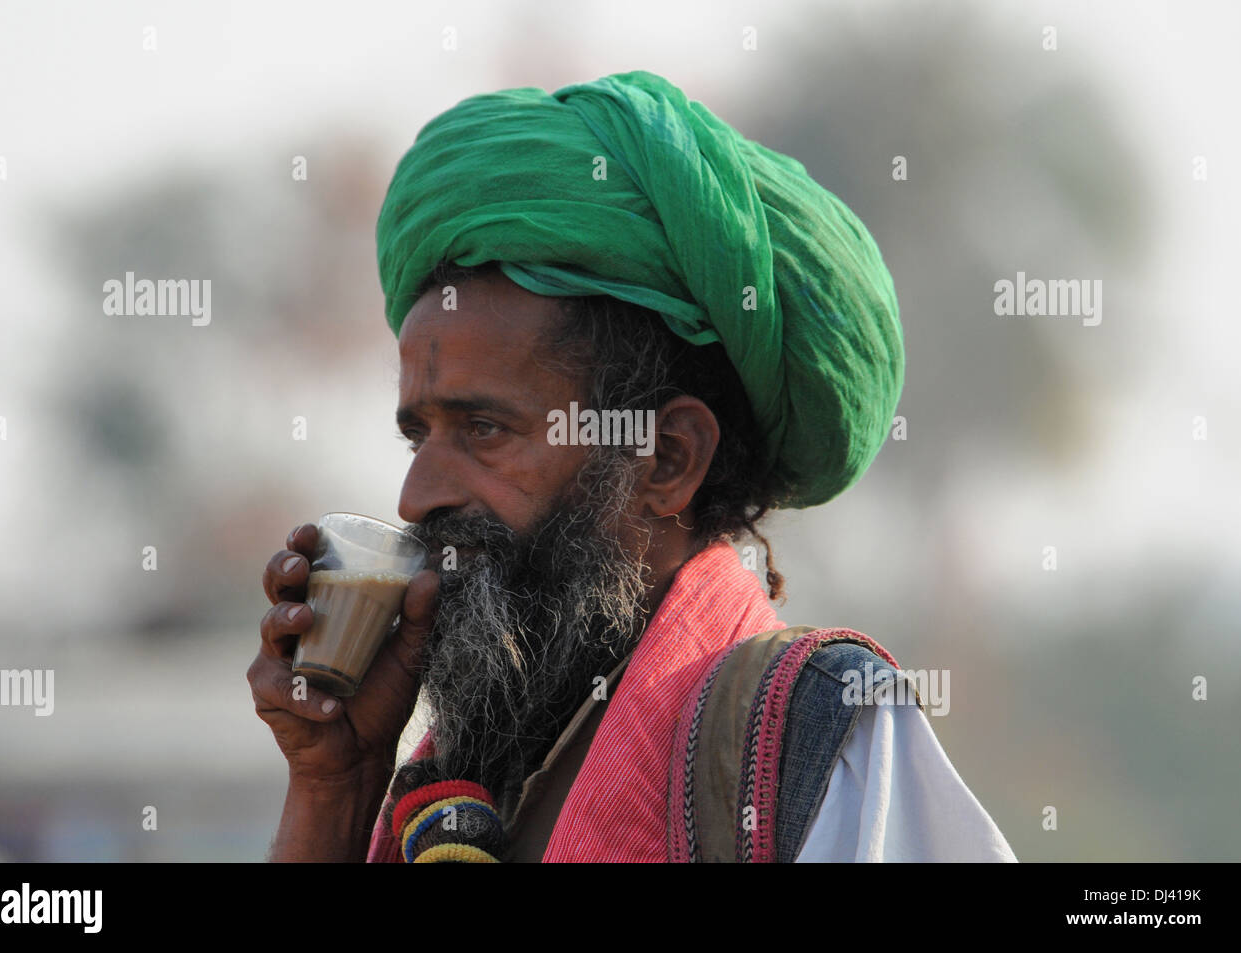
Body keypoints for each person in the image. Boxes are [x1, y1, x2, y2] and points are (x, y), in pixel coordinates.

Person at [249, 70, 1016, 863]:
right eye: (419, 436)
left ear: (667, 459)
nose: (418, 496)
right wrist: (335, 790)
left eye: (484, 428)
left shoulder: (818, 746)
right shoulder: (447, 786)